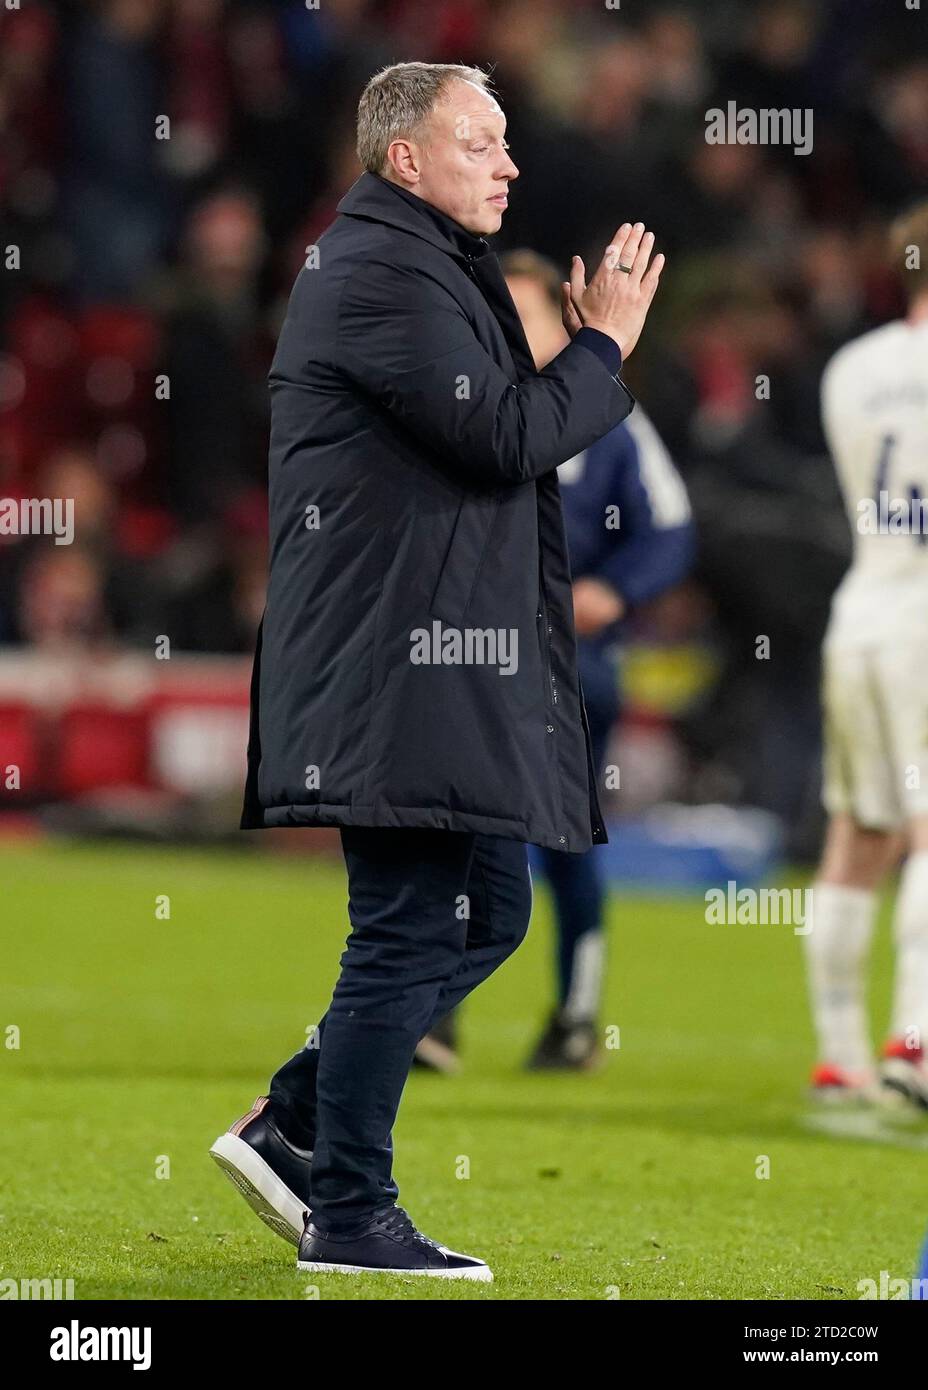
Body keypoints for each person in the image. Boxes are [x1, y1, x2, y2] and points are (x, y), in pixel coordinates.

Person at [210, 60, 665, 1280]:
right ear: (404, 158)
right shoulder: (374, 271)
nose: (509, 163)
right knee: (409, 926)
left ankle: (296, 1120)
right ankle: (349, 1213)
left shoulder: (420, 262)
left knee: (489, 910)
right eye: (481, 141)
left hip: (428, 652)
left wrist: (571, 357)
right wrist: (602, 348)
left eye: (510, 140)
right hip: (390, 658)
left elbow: (499, 441)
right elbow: (503, 437)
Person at [415, 251, 693, 1072]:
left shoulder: (604, 414)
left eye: (528, 315)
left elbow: (672, 529)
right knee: (453, 831)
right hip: (464, 659)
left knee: (563, 835)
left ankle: (573, 1013)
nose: (510, 331)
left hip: (568, 664)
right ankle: (433, 1015)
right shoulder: (466, 410)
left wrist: (613, 589)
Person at [804, 201, 928, 1114]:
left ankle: (842, 1055)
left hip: (863, 611)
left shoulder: (854, 367)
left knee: (859, 833)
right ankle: (914, 1045)